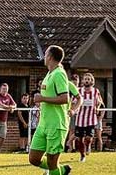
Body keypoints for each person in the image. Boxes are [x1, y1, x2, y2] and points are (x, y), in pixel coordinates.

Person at [27, 45, 80, 175]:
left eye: (45, 54)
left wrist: (42, 98)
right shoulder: (49, 74)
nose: (44, 57)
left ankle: (55, 171)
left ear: (50, 57)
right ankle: (62, 170)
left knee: (52, 162)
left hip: (56, 125)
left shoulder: (59, 74)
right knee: (33, 159)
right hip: (44, 124)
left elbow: (65, 98)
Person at [74, 73, 102, 162]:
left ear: (92, 81)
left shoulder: (96, 91)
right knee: (79, 139)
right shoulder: (78, 91)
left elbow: (100, 101)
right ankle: (82, 155)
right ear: (83, 81)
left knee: (88, 138)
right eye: (85, 79)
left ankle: (88, 145)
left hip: (91, 118)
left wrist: (97, 107)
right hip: (80, 118)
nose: (87, 80)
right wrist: (74, 109)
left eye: (89, 79)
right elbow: (73, 101)